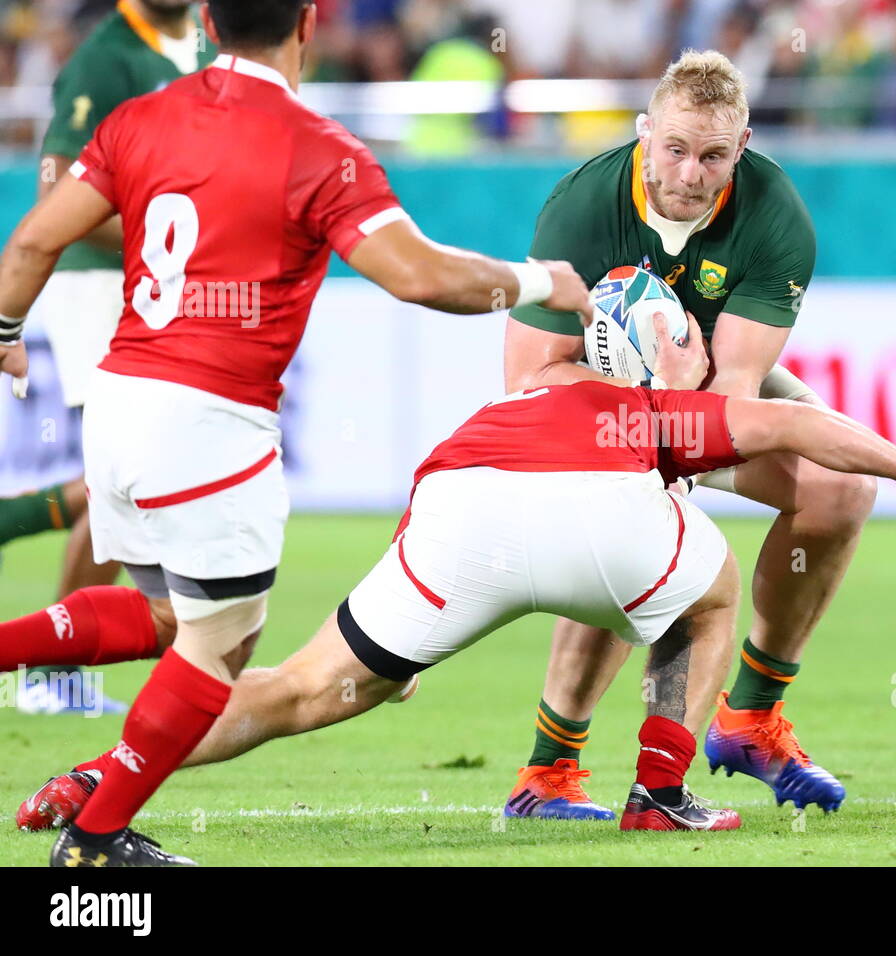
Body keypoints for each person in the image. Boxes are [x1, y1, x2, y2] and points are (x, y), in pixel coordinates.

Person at [0, 0, 590, 866]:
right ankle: (95, 842)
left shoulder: (140, 119)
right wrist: (545, 280)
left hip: (120, 399)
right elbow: (420, 275)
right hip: (207, 422)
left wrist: (7, 333)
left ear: (208, 18)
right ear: (308, 25)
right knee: (223, 643)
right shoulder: (318, 147)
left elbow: (33, 240)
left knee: (170, 618)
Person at [18, 339, 896, 849]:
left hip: (453, 529)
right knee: (709, 589)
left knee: (302, 687)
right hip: (595, 528)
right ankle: (660, 793)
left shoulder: (516, 397)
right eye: (678, 342)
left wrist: (397, 643)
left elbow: (433, 485)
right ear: (648, 357)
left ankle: (104, 776)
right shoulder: (663, 402)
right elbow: (798, 425)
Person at [498, 49, 875, 821]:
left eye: (713, 155)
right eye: (673, 148)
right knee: (630, 530)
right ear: (644, 135)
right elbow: (531, 377)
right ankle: (548, 774)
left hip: (705, 389)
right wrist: (643, 428)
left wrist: (672, 423)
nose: (690, 173)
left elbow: (734, 392)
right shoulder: (582, 206)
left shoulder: (775, 214)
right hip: (590, 398)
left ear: (742, 147)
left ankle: (752, 718)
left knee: (842, 488)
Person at [0, 0, 217, 716]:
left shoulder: (201, 49)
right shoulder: (105, 56)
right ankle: (47, 668)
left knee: (120, 479)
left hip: (161, 292)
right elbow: (56, 190)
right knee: (122, 476)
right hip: (104, 291)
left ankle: (50, 649)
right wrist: (172, 242)